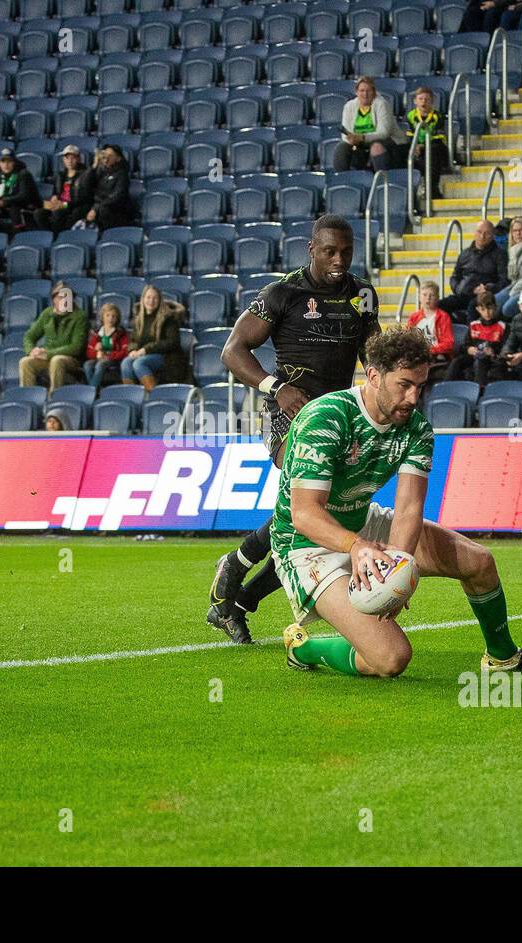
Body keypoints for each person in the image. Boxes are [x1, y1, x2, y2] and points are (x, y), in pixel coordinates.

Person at [277, 326, 522, 678]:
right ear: (373, 375)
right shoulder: (327, 418)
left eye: (421, 386)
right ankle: (304, 647)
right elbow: (304, 514)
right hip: (305, 546)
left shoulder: (416, 429)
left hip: (362, 524)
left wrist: (396, 571)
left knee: (478, 562)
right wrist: (357, 547)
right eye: (404, 385)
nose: (414, 398)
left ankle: (503, 659)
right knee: (390, 659)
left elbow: (410, 508)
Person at [210, 215, 380, 645]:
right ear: (312, 249)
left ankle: (238, 588)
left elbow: (373, 355)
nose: (339, 259)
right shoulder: (281, 293)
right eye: (329, 251)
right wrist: (276, 386)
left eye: (346, 251)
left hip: (339, 416)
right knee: (312, 503)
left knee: (322, 515)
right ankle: (237, 569)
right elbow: (232, 350)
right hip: (290, 414)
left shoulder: (362, 294)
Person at [19, 282, 89, 392]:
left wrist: (48, 353)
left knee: (57, 360)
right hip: (47, 356)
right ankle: (29, 396)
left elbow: (76, 347)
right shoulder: (47, 313)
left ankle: (55, 396)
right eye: (60, 298)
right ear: (54, 300)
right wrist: (32, 350)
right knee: (25, 362)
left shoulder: (80, 316)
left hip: (71, 358)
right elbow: (29, 336)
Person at [122, 284, 188, 388]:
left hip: (167, 357)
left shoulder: (168, 317)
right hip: (144, 354)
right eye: (148, 297)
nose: (151, 301)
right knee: (126, 363)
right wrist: (132, 350)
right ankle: (133, 395)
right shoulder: (138, 319)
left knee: (139, 363)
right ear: (143, 299)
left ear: (159, 300)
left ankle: (154, 396)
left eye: (155, 298)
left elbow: (172, 342)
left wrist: (145, 349)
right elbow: (133, 340)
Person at [334, 76, 404, 173]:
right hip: (360, 143)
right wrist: (352, 139)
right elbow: (345, 134)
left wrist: (362, 137)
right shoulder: (349, 106)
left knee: (376, 147)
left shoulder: (381, 104)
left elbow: (384, 133)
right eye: (362, 91)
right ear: (356, 92)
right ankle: (342, 181)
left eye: (368, 91)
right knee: (341, 147)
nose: (365, 94)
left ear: (374, 92)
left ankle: (382, 182)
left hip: (389, 141)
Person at [441, 218, 508, 318]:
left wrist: (488, 288)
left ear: (493, 235)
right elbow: (454, 277)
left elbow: (504, 280)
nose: (482, 236)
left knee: (474, 307)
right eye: (479, 232)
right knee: (438, 306)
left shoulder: (500, 254)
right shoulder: (465, 253)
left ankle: (471, 333)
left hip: (484, 295)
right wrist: (460, 289)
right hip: (464, 293)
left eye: (487, 233)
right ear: (474, 233)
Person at [447, 291, 508, 388]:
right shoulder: (474, 325)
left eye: (490, 308)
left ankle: (479, 390)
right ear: (478, 309)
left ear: (495, 307)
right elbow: (464, 346)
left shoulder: (502, 326)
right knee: (456, 361)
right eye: (483, 309)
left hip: (492, 358)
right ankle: (446, 388)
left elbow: (506, 347)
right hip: (475, 355)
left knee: (480, 361)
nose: (487, 313)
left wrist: (493, 352)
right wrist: (469, 349)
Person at [0, 147, 41, 236]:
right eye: (3, 161)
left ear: (14, 162)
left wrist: (2, 202)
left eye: (9, 161)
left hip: (24, 205)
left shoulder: (24, 174)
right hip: (7, 205)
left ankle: (19, 236)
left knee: (14, 208)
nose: (6, 165)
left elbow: (24, 195)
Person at [35, 144, 90, 234]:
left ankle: (59, 237)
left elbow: (82, 198)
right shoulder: (60, 175)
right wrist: (54, 197)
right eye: (67, 158)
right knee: (39, 213)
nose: (70, 161)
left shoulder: (85, 175)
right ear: (64, 160)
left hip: (74, 206)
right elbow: (56, 192)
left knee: (58, 213)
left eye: (73, 158)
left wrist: (63, 205)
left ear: (79, 159)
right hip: (60, 204)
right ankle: (49, 235)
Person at [405, 279, 454, 379]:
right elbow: (406, 339)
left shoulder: (443, 317)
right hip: (416, 355)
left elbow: (448, 344)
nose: (428, 298)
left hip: (436, 356)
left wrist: (430, 350)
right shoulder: (413, 317)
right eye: (424, 295)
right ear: (419, 297)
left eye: (432, 295)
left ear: (437, 297)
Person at [404, 86, 446, 201]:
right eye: (421, 99)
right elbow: (409, 135)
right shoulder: (410, 116)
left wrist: (422, 146)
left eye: (427, 99)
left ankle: (433, 188)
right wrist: (414, 146)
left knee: (433, 152)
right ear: (415, 101)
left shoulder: (438, 116)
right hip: (415, 147)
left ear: (431, 101)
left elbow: (438, 137)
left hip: (434, 146)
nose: (423, 102)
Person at [81, 144, 135, 231]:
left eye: (110, 156)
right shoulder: (101, 171)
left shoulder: (122, 174)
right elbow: (85, 185)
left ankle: (107, 235)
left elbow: (117, 196)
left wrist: (96, 209)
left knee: (103, 210)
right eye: (105, 155)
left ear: (118, 158)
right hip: (98, 206)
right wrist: (94, 166)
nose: (106, 158)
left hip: (116, 209)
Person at [82, 303, 130, 392]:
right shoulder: (96, 333)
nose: (110, 318)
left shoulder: (121, 333)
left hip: (113, 360)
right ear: (102, 317)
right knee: (87, 365)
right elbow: (89, 352)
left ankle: (91, 392)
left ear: (117, 318)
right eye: (107, 315)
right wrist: (96, 353)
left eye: (113, 316)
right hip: (99, 358)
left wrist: (109, 356)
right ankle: (96, 389)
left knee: (101, 364)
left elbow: (125, 351)